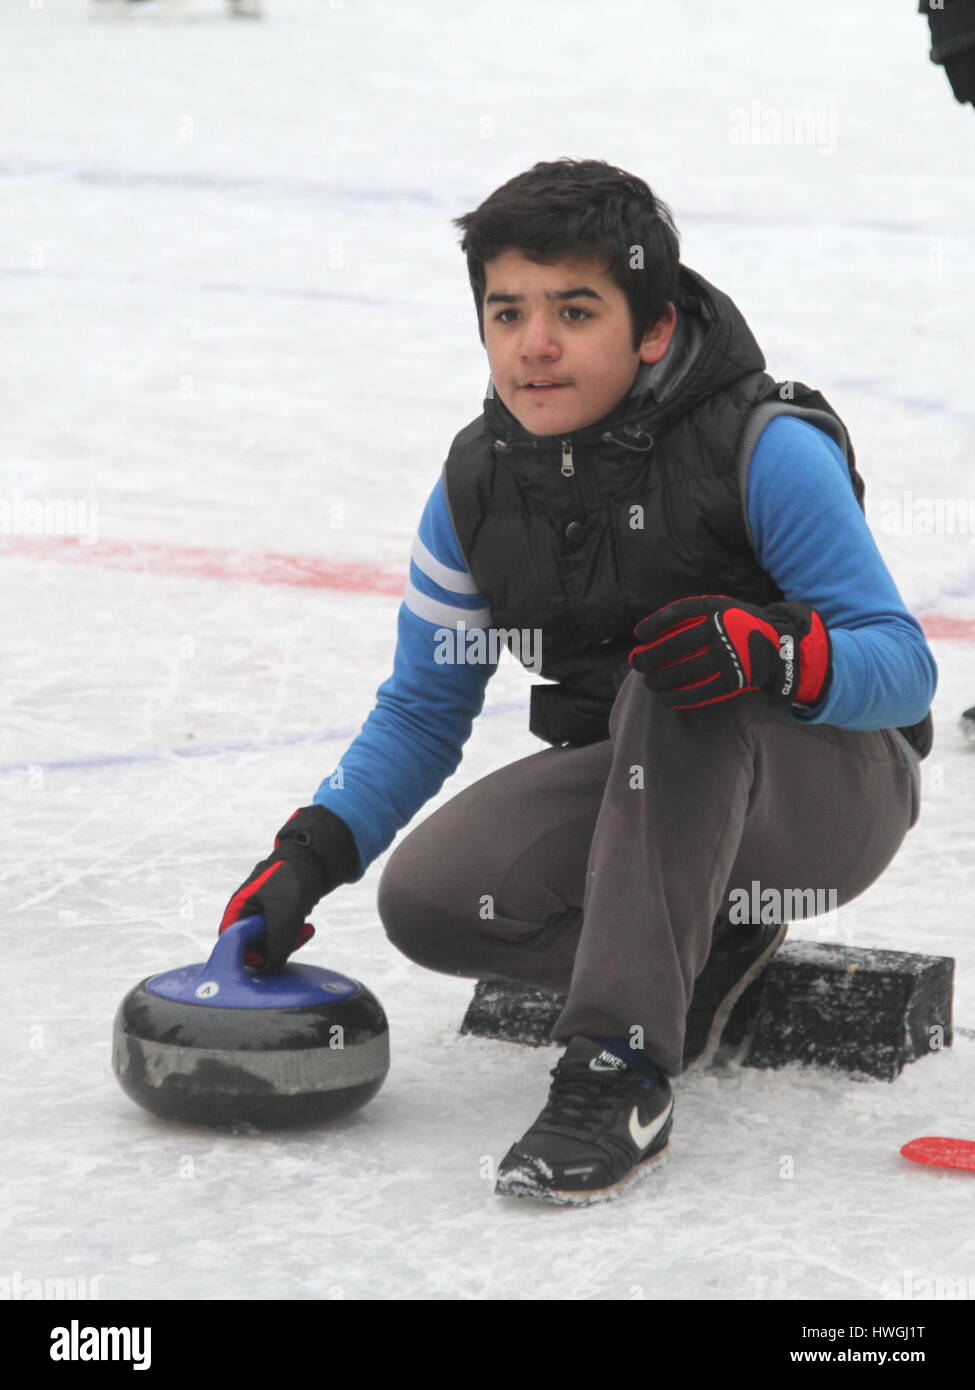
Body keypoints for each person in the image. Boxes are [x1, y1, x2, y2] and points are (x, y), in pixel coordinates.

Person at [221, 159, 937, 1206]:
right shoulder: (475, 485)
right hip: (653, 797)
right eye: (506, 310)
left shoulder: (763, 446)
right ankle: (697, 936)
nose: (535, 343)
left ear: (651, 326)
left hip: (830, 794)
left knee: (682, 671)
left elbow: (902, 665)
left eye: (575, 310)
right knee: (431, 902)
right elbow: (424, 708)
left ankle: (620, 1068)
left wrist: (776, 649)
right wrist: (304, 857)